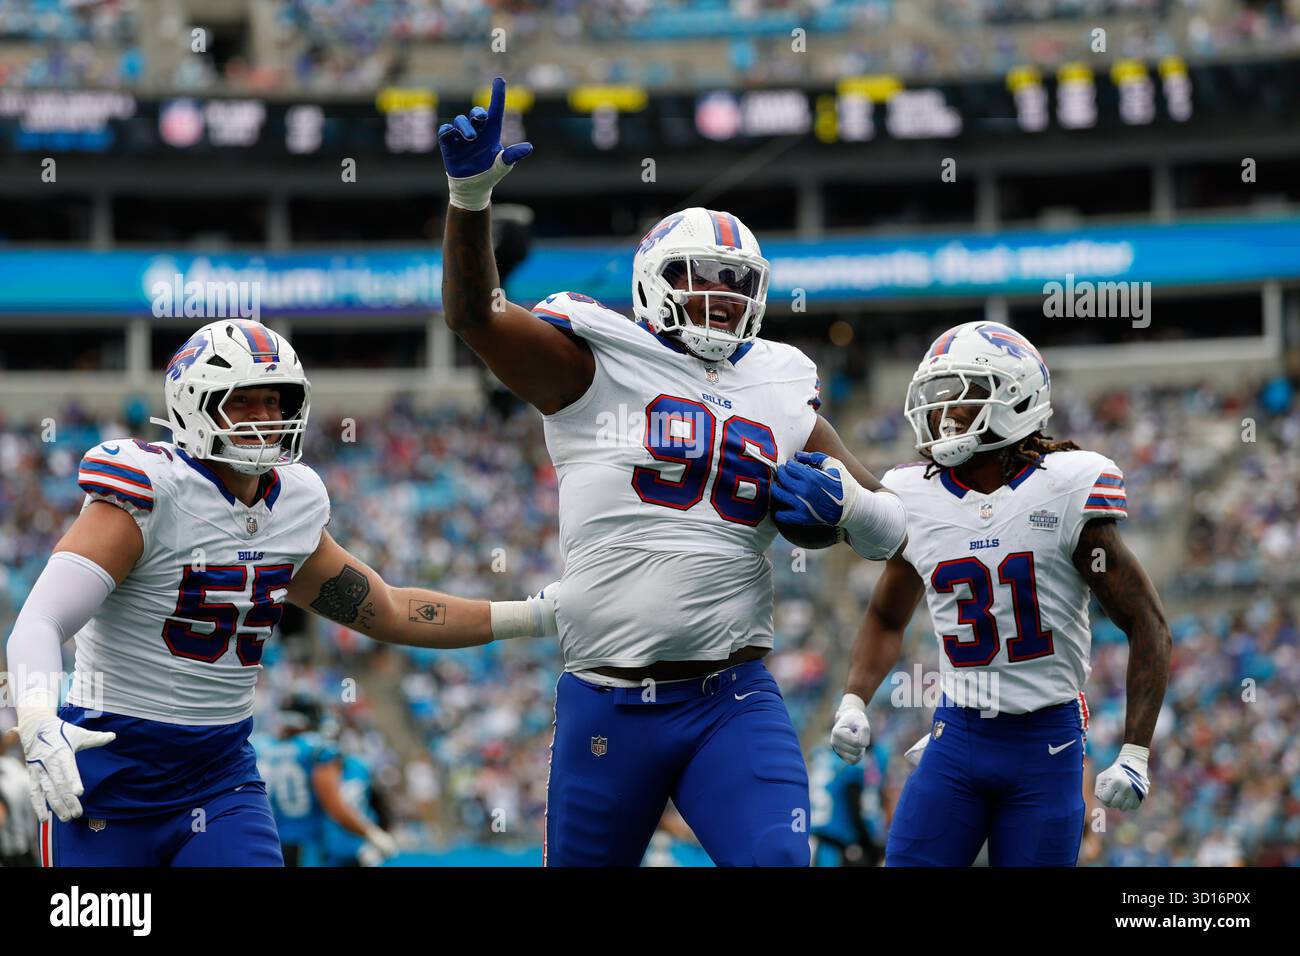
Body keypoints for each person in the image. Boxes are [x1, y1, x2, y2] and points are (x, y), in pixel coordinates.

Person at [436, 77, 908, 866]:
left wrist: (846, 508)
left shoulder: (782, 382)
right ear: (656, 280)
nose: (721, 297)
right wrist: (469, 199)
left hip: (731, 699)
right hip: (604, 701)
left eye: (736, 282)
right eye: (702, 277)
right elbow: (474, 313)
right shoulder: (595, 359)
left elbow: (893, 528)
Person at [4, 317, 556, 866]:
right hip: (107, 769)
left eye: (275, 402)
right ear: (194, 405)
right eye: (243, 403)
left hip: (218, 779)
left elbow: (387, 610)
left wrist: (534, 615)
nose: (266, 419)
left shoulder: (292, 505)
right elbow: (41, 621)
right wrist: (35, 719)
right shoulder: (149, 492)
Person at [809, 321, 1171, 866]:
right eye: (938, 397)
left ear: (1016, 400)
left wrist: (1136, 751)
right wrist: (854, 698)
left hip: (1046, 743)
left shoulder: (1067, 488)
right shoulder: (916, 496)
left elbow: (1148, 625)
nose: (944, 411)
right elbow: (887, 617)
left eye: (963, 395)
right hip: (958, 735)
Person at [254, 693, 395, 867]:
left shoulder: (259, 746)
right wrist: (371, 834)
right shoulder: (317, 748)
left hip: (265, 842)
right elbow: (334, 805)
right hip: (305, 846)